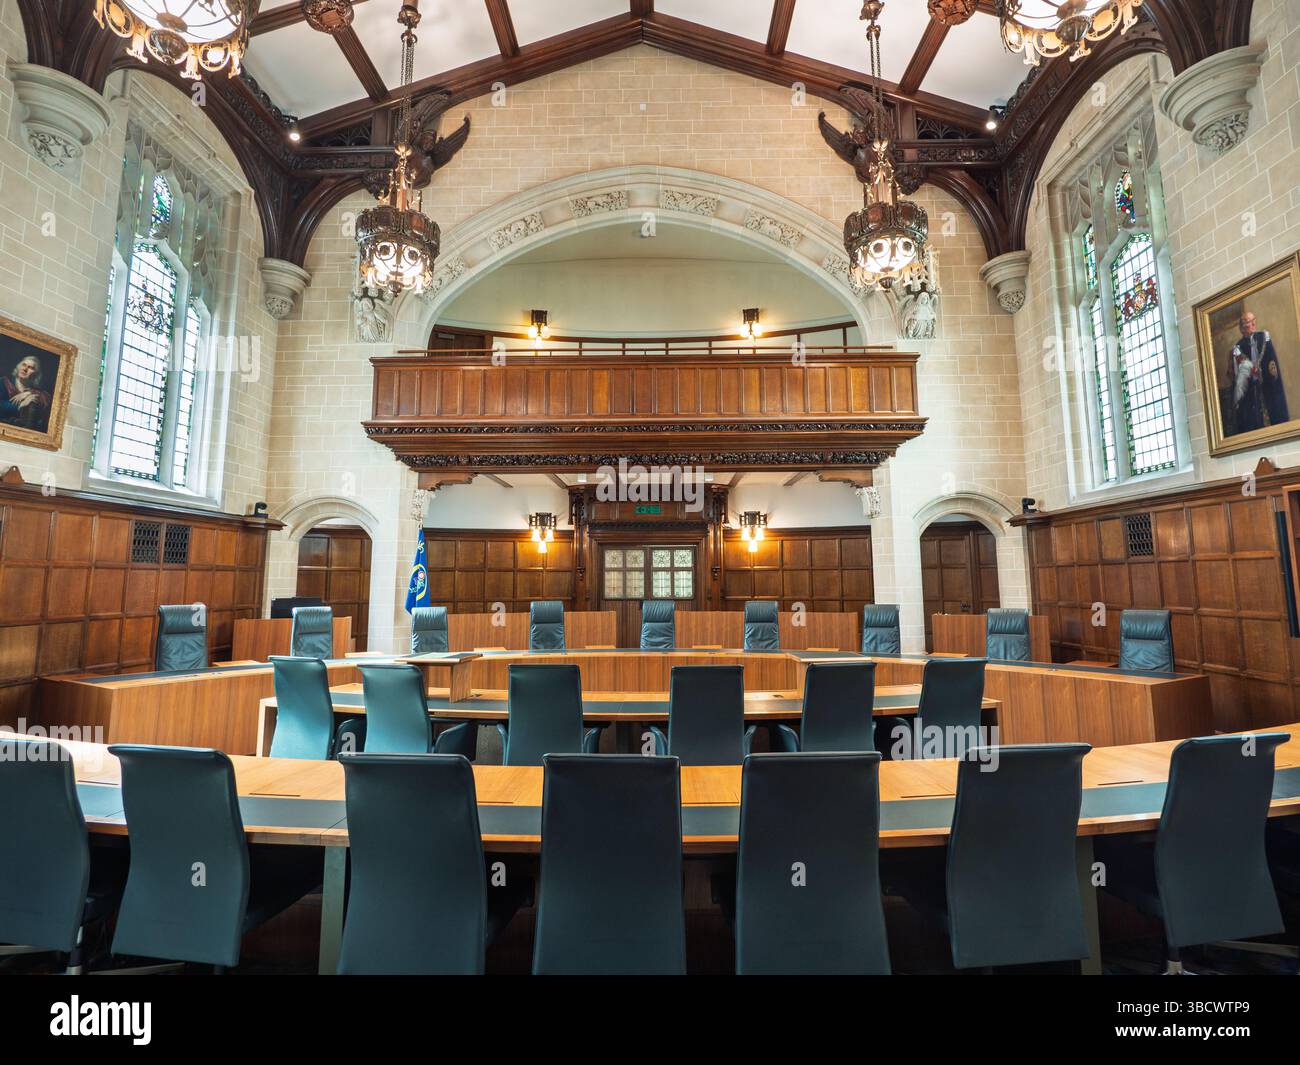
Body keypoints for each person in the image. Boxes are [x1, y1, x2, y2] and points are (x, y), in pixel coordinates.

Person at [1228, 310, 1288, 434]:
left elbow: (1272, 363)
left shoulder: (1264, 337)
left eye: (1253, 320)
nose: (1253, 324)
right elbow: (1238, 377)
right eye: (1248, 322)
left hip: (1267, 385)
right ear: (1241, 328)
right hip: (1251, 390)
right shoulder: (1238, 348)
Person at [0, 353, 53, 432]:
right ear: (19, 367)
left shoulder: (37, 392)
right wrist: (21, 405)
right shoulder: (3, 382)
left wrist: (29, 393)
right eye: (24, 365)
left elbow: (48, 401)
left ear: (36, 374)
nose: (25, 369)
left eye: (31, 368)